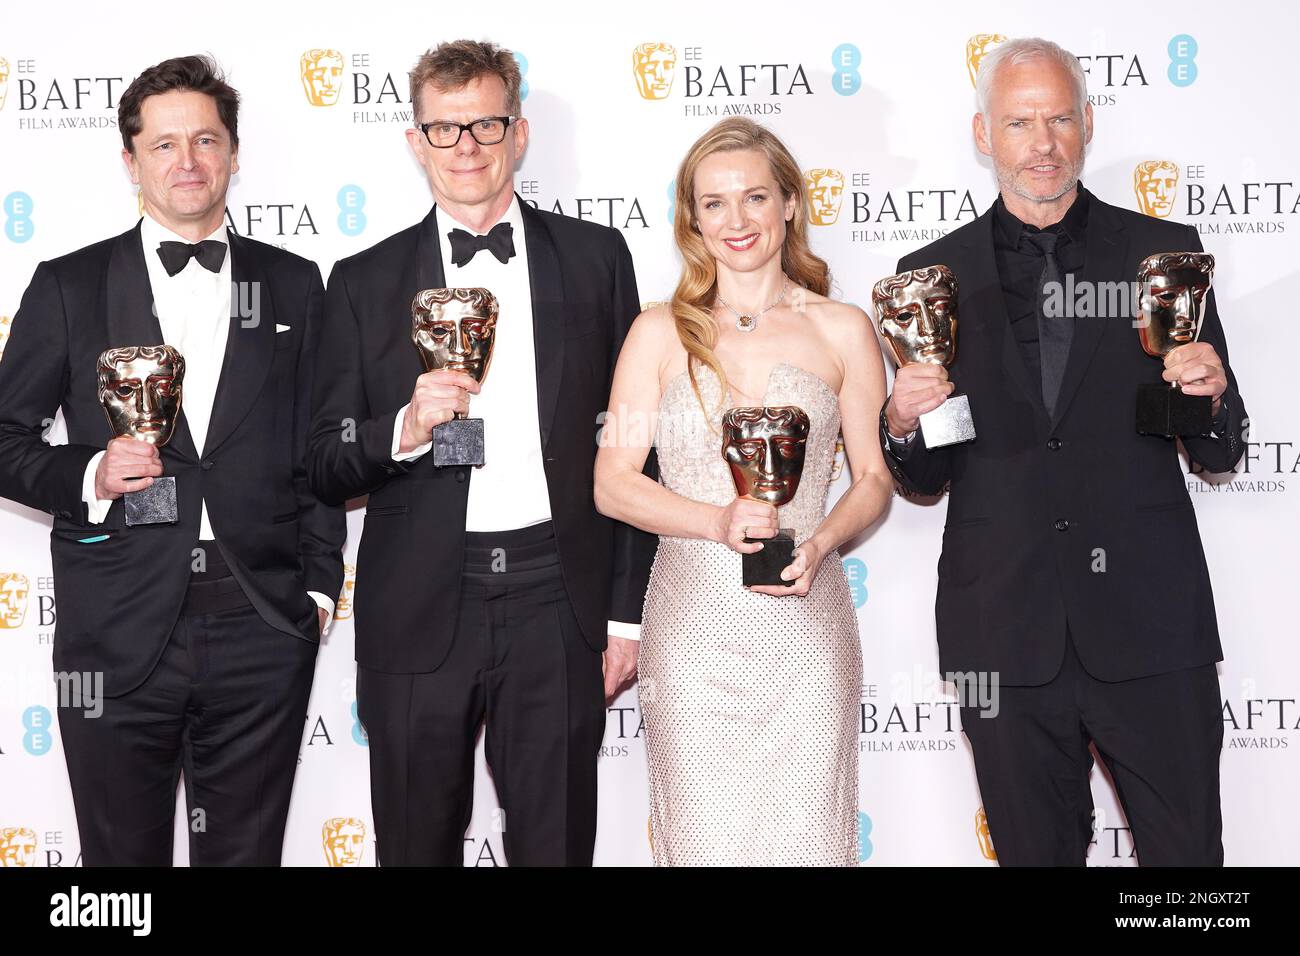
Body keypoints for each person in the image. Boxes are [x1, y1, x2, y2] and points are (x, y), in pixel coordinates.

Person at [879, 37, 1245, 866]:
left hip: (1153, 628)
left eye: (1057, 119)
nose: (1041, 143)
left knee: (1190, 869)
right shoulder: (929, 276)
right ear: (983, 135)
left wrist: (1212, 395)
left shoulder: (1164, 256)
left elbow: (1218, 450)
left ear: (1087, 123)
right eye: (1019, 122)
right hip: (1004, 638)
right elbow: (929, 473)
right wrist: (902, 420)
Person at [306, 40, 656, 866]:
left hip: (557, 597)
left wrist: (622, 612)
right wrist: (402, 430)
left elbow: (638, 448)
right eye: (444, 128)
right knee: (415, 845)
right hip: (420, 599)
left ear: (520, 133)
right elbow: (322, 461)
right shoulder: (361, 281)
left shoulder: (599, 258)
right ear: (414, 141)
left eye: (486, 124)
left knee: (557, 842)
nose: (466, 146)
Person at [0, 55, 344, 865]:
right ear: (130, 161)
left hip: (263, 626)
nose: (186, 162)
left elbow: (321, 446)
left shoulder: (294, 285)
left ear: (231, 152)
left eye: (205, 140)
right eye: (163, 145)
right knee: (120, 875)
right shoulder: (67, 285)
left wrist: (318, 593)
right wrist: (87, 474)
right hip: (116, 631)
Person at [594, 117, 892, 865]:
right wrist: (713, 519)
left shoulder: (843, 329)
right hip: (693, 633)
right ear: (692, 217)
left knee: (810, 840)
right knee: (704, 840)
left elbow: (875, 479)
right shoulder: (658, 332)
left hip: (805, 627)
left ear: (789, 203)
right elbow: (612, 483)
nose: (737, 220)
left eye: (755, 197)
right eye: (715, 202)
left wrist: (821, 542)